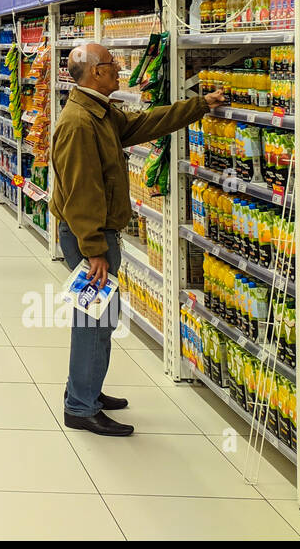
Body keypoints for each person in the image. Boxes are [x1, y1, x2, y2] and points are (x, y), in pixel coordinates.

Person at [50, 42, 225, 437]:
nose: (119, 69)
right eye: (112, 64)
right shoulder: (79, 122)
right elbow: (81, 192)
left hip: (95, 232)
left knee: (103, 318)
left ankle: (86, 390)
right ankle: (80, 406)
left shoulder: (99, 111)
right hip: (89, 236)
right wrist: (94, 249)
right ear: (95, 72)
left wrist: (198, 106)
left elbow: (142, 124)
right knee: (93, 322)